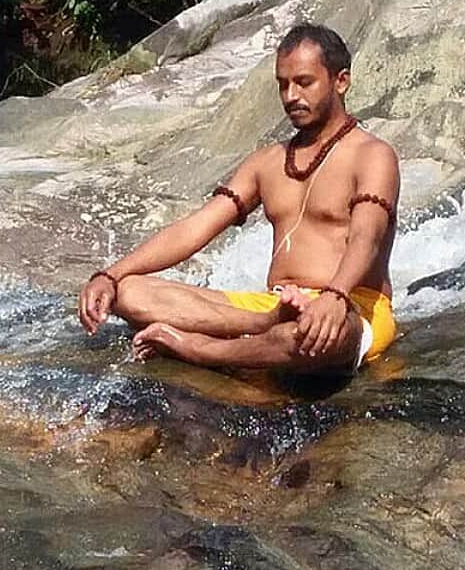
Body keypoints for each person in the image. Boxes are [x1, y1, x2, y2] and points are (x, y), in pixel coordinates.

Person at [78, 23, 399, 374]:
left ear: (341, 81)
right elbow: (195, 229)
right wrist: (110, 275)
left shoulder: (373, 154)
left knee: (309, 339)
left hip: (351, 305)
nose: (291, 96)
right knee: (129, 293)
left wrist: (335, 296)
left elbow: (367, 237)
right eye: (283, 84)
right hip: (273, 305)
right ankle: (264, 327)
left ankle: (198, 348)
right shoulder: (266, 162)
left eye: (304, 82)